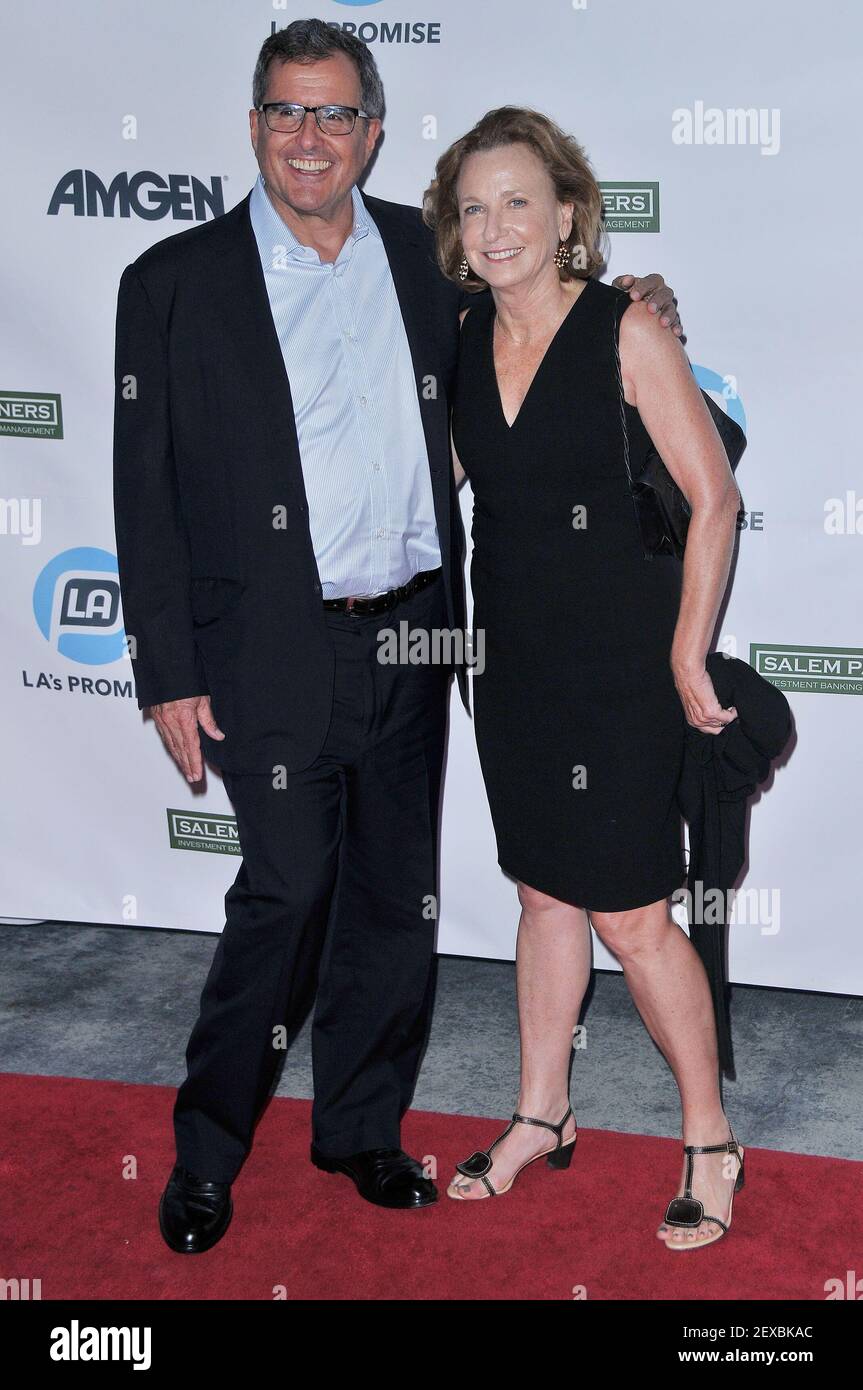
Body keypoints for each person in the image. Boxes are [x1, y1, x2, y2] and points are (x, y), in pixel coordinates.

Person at [112, 22, 683, 1254]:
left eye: (332, 115)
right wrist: (165, 666)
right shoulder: (170, 281)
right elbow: (141, 487)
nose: (307, 137)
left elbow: (555, 324)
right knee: (282, 895)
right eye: (283, 112)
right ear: (253, 123)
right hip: (265, 647)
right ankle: (207, 1153)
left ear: (371, 131)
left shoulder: (432, 277)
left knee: (390, 899)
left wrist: (643, 298)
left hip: (418, 636)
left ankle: (360, 1128)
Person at [426, 106, 745, 1249]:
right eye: (473, 206)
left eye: (517, 200)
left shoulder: (621, 330)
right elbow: (440, 480)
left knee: (633, 911)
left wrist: (683, 648)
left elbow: (713, 497)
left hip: (618, 665)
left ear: (565, 214)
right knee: (541, 895)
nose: (495, 223)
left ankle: (709, 1136)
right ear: (453, 231)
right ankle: (540, 1110)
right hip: (510, 665)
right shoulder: (459, 339)